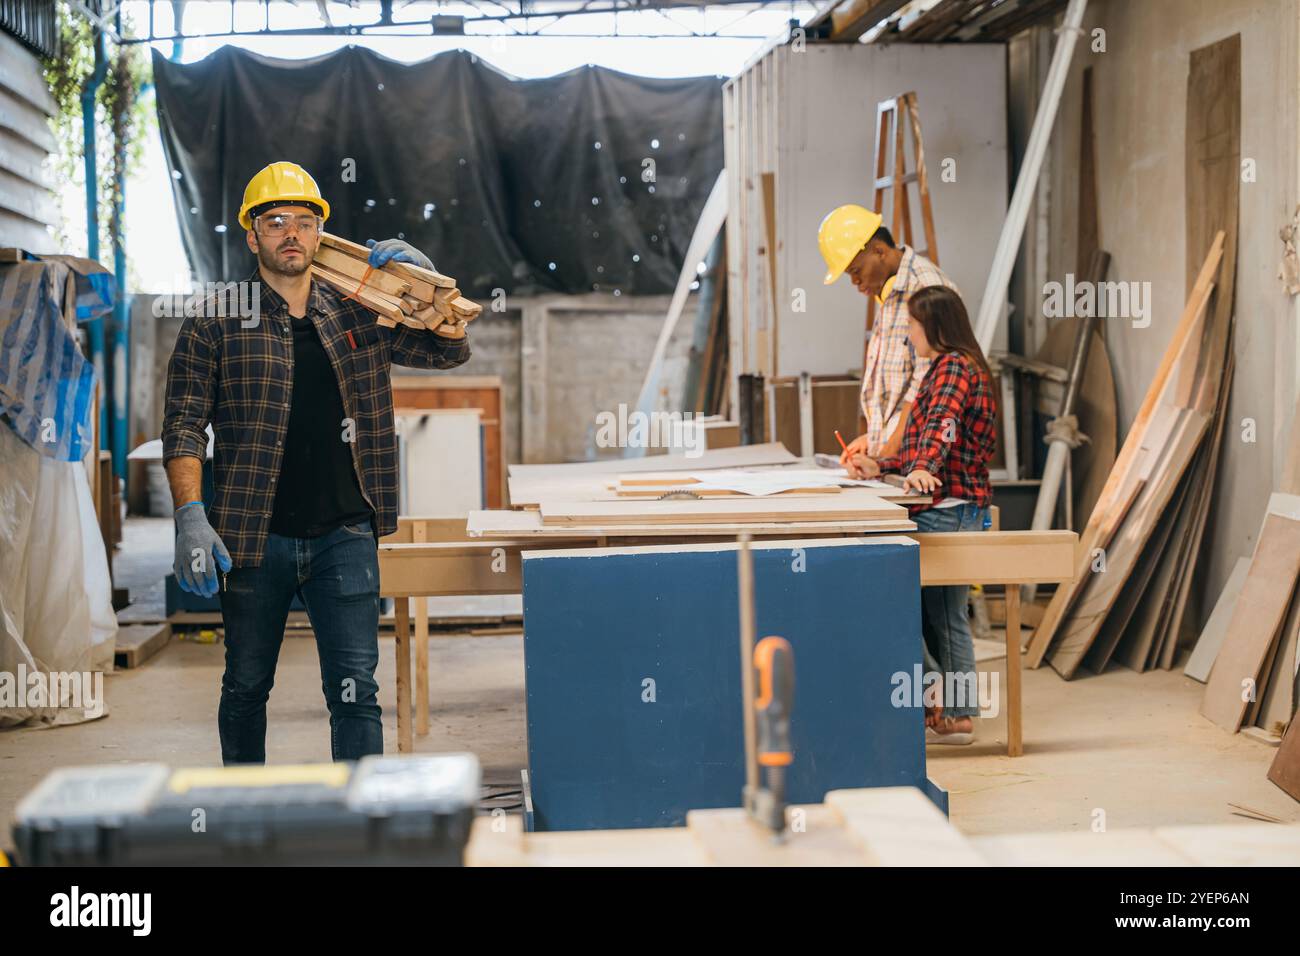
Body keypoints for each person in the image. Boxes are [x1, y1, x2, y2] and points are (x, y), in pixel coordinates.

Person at [161, 161, 470, 764]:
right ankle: (247, 820)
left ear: (321, 234)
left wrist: (428, 285)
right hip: (251, 537)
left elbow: (446, 349)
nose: (292, 234)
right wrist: (190, 516)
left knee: (356, 694)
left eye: (305, 221)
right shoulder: (215, 320)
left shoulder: (362, 309)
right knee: (246, 687)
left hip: (346, 534)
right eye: (275, 222)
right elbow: (183, 426)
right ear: (252, 236)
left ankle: (362, 828)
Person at [848, 286, 997, 744]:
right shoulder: (947, 368)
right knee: (940, 613)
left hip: (947, 508)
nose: (909, 335)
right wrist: (883, 466)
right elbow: (920, 444)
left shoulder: (953, 367)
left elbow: (941, 431)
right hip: (950, 504)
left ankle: (946, 702)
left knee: (910, 606)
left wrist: (923, 469)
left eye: (912, 325)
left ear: (934, 325)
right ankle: (952, 710)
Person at [816, 204, 957, 461]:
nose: (855, 283)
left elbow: (928, 382)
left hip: (922, 459)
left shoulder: (924, 288)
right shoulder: (890, 290)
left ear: (879, 251)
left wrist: (892, 446)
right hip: (895, 454)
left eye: (856, 271)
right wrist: (873, 440)